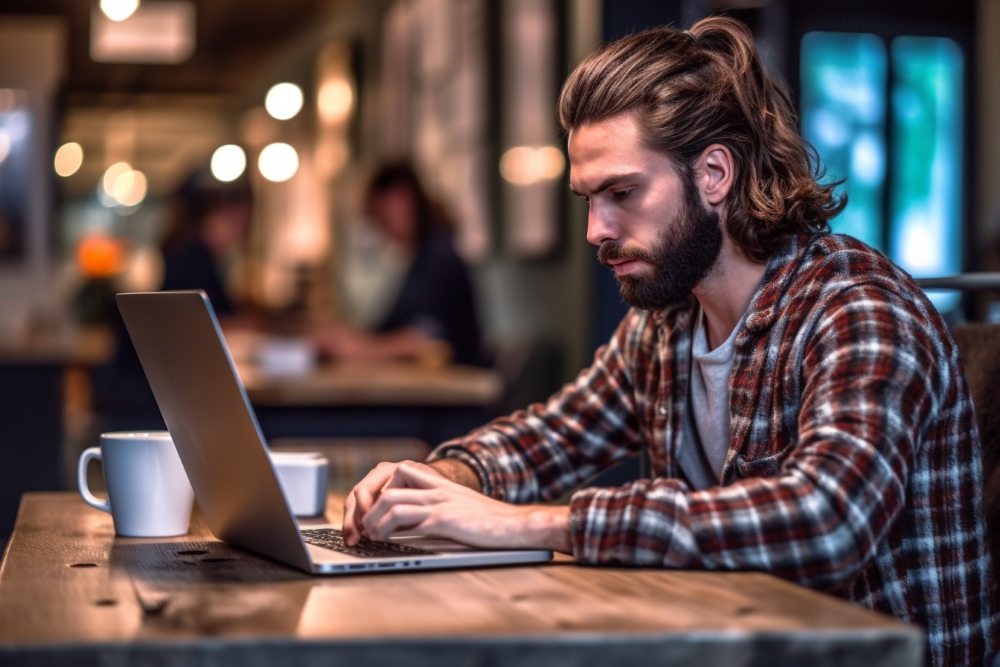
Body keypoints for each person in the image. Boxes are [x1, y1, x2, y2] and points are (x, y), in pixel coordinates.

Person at [340, 17, 997, 666]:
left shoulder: (859, 308)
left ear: (713, 174)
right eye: (588, 198)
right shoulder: (666, 322)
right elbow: (554, 437)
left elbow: (828, 520)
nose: (597, 229)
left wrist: (527, 523)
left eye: (622, 192)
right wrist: (438, 482)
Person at [94, 171, 252, 431]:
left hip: (149, 388)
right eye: (240, 223)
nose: (240, 233)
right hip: (152, 397)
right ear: (219, 215)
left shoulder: (184, 250)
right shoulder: (194, 256)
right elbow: (212, 324)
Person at [312, 163, 483, 366]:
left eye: (381, 217)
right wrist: (348, 336)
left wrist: (358, 348)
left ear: (403, 198)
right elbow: (392, 329)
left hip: (461, 380)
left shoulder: (439, 256)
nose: (381, 230)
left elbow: (425, 338)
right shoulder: (420, 258)